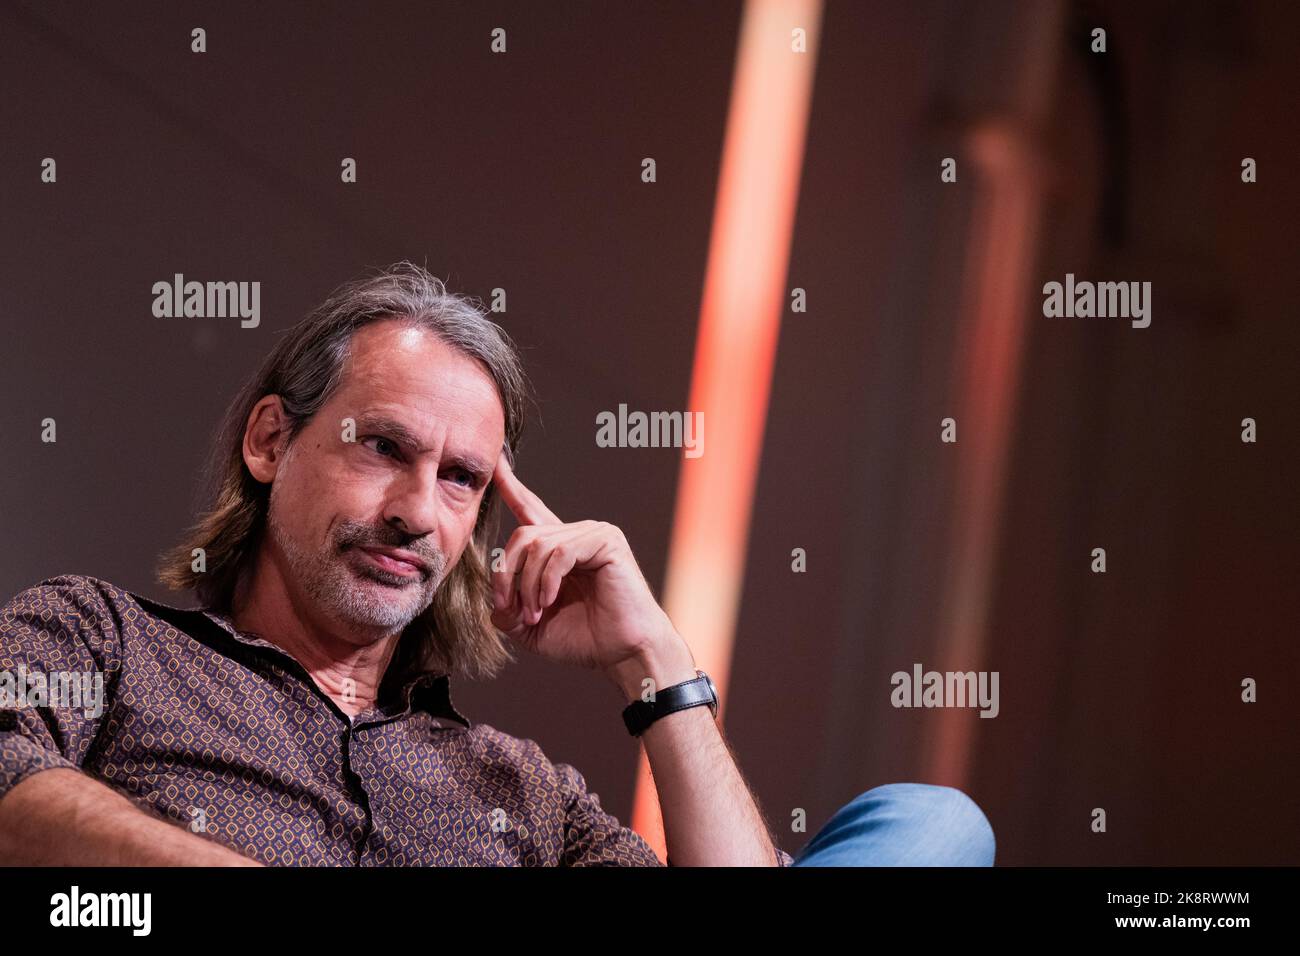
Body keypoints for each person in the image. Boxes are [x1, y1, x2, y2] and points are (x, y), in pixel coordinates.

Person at [0, 262, 995, 866]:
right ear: (271, 441)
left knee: (929, 825)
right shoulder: (101, 635)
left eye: (460, 478)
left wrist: (654, 660)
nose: (414, 513)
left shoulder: (524, 790)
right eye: (382, 447)